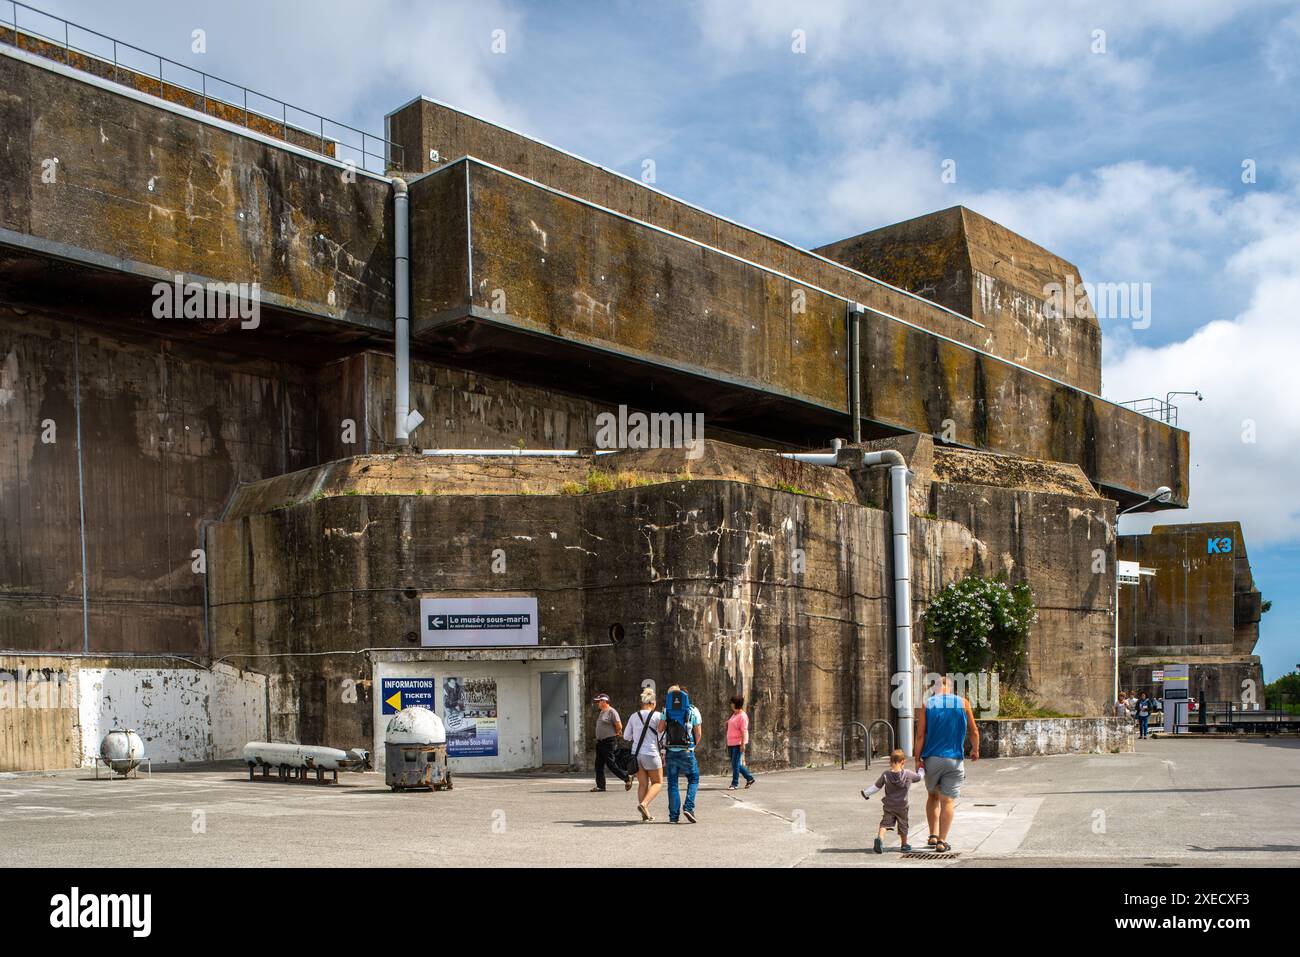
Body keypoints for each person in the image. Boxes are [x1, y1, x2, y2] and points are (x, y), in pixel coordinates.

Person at [913, 675, 979, 854]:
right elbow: (973, 730)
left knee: (932, 796)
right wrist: (975, 750)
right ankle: (942, 841)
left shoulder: (927, 705)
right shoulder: (963, 703)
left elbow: (920, 735)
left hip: (932, 759)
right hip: (954, 760)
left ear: (935, 688)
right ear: (950, 688)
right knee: (947, 800)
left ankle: (932, 835)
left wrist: (917, 758)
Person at [861, 748, 924, 853]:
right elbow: (919, 777)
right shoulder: (908, 774)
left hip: (889, 806)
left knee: (885, 823)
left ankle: (879, 839)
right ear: (903, 762)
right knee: (903, 824)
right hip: (902, 806)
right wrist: (922, 768)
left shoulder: (886, 774)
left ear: (890, 762)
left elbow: (876, 787)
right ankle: (904, 845)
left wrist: (866, 793)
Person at [662, 685, 702, 823]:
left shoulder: (666, 709)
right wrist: (692, 747)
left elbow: (660, 729)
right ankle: (689, 807)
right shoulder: (693, 710)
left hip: (671, 751)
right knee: (694, 779)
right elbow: (698, 734)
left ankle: (673, 817)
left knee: (673, 784)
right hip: (687, 751)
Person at [623, 688, 664, 821]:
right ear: (653, 703)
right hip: (651, 753)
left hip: (636, 755)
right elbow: (662, 734)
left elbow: (626, 736)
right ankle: (644, 804)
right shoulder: (658, 716)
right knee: (658, 782)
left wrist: (636, 736)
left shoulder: (634, 716)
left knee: (642, 784)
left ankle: (645, 814)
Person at [591, 693, 632, 792]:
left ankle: (626, 777)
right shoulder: (602, 712)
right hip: (600, 742)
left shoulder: (612, 711)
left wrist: (616, 734)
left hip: (608, 742)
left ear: (604, 701)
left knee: (611, 763)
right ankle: (601, 786)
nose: (597, 703)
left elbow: (619, 725)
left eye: (599, 701)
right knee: (598, 765)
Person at [726, 695, 755, 790]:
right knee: (736, 764)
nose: (731, 704)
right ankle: (749, 778)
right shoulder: (735, 714)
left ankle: (734, 784)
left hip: (738, 743)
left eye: (732, 703)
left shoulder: (743, 716)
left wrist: (742, 744)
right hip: (731, 743)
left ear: (735, 704)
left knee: (735, 764)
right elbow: (734, 724)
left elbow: (743, 731)